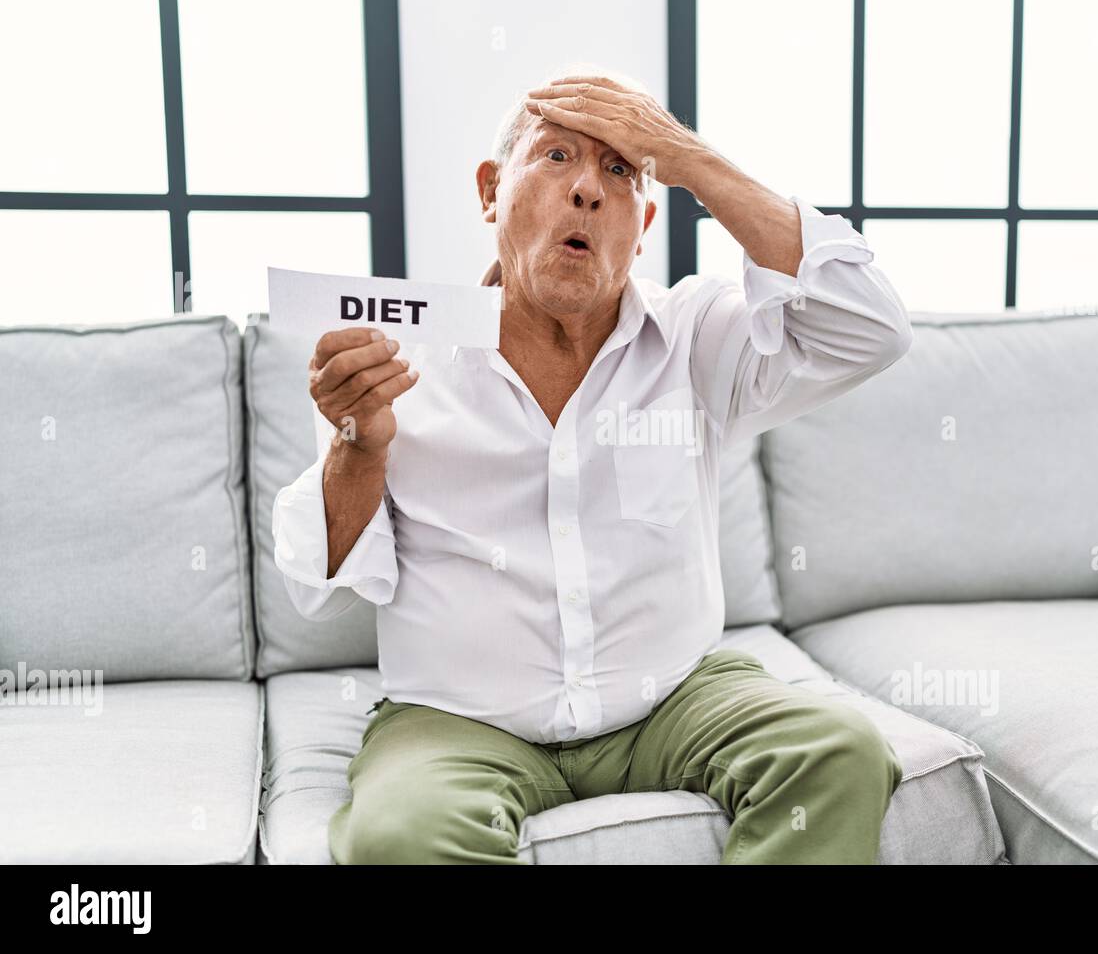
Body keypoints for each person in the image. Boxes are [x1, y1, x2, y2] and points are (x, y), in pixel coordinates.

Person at [272, 63, 913, 864]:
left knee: (839, 750)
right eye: (555, 157)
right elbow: (317, 588)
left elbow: (871, 330)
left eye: (618, 169)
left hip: (671, 698)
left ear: (643, 223)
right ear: (488, 191)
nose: (587, 191)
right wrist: (360, 444)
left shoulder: (693, 335)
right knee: (400, 834)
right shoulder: (400, 353)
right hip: (461, 719)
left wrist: (689, 161)